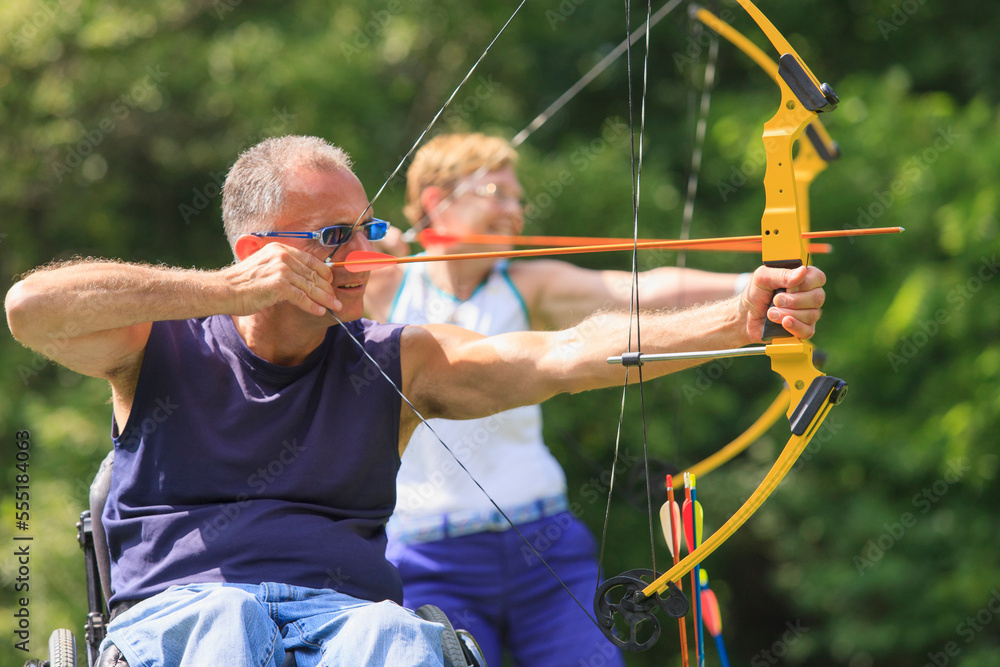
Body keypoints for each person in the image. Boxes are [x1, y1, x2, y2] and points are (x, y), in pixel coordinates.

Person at [4, 134, 825, 667]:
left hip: (346, 621)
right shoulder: (157, 346)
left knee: (396, 640)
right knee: (227, 629)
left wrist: (741, 315)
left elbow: (565, 355)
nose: (372, 254)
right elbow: (28, 309)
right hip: (187, 617)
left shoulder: (400, 361)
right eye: (338, 239)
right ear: (258, 253)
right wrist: (220, 289)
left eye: (369, 227)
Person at [364, 133, 753, 666]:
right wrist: (357, 256)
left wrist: (750, 284)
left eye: (518, 198)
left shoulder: (529, 283)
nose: (515, 209)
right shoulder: (384, 288)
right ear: (437, 201)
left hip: (544, 544)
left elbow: (642, 289)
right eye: (496, 192)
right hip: (428, 558)